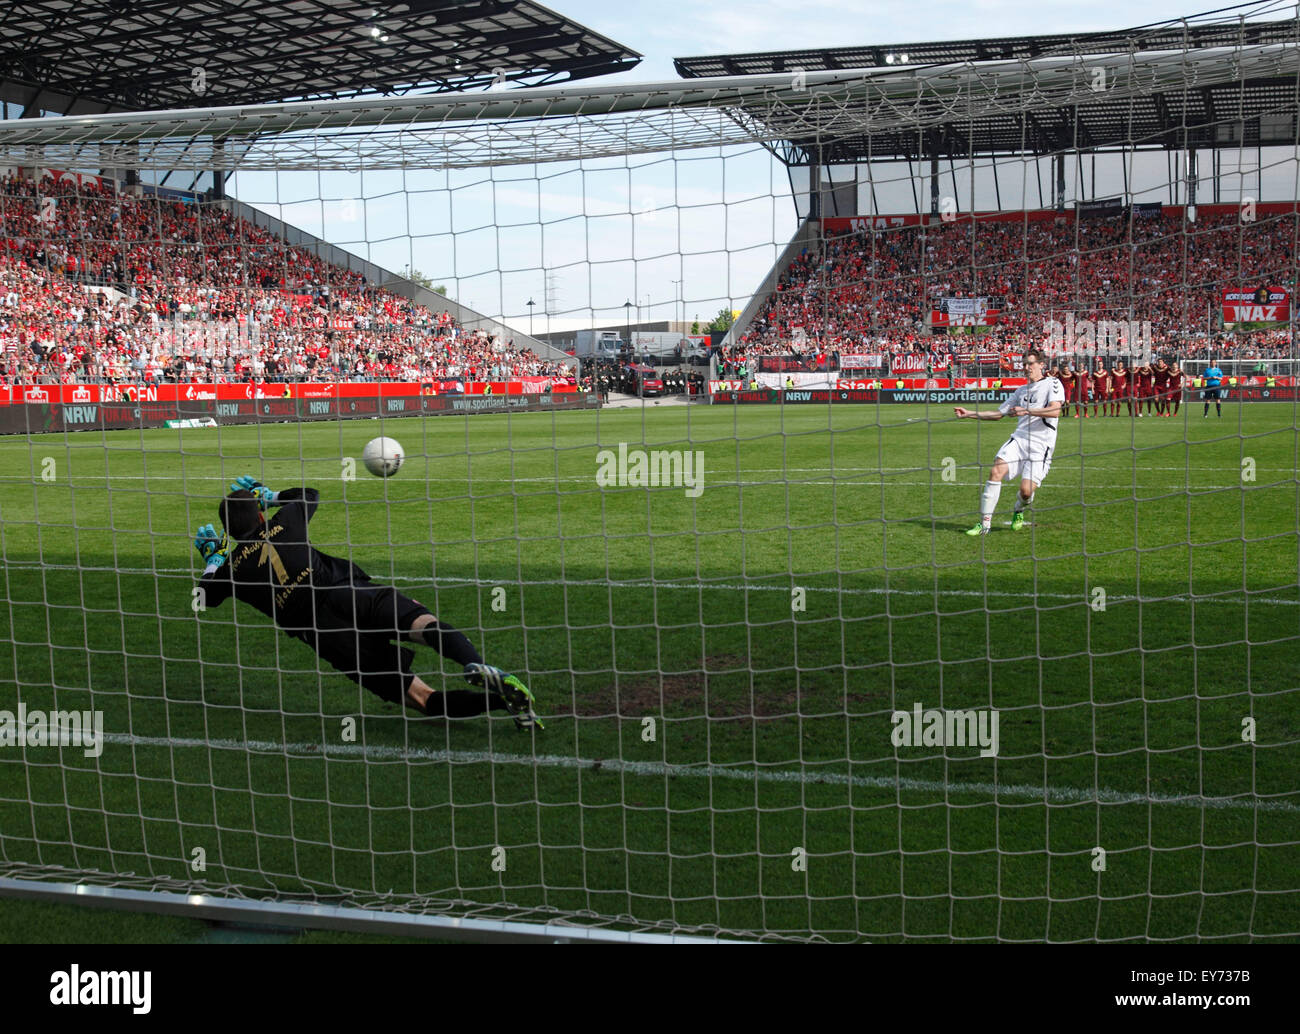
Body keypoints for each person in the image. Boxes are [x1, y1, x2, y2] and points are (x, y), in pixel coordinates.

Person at [193, 478, 541, 729]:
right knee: (423, 625)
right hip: (349, 593)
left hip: (325, 633)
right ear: (259, 517)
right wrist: (269, 495)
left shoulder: (234, 569)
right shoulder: (285, 523)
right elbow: (309, 494)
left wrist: (213, 559)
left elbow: (204, 598)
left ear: (229, 532)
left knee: (419, 698)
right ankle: (475, 664)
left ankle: (502, 700)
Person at [953, 348, 1064, 535]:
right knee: (996, 470)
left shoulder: (1053, 383)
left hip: (1041, 445)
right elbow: (999, 414)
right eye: (1025, 364)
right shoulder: (1020, 391)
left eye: (1031, 363)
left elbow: (1055, 411)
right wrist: (969, 413)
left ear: (1041, 365)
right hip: (1019, 439)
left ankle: (1019, 508)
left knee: (1026, 492)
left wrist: (1027, 411)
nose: (1027, 367)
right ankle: (984, 524)